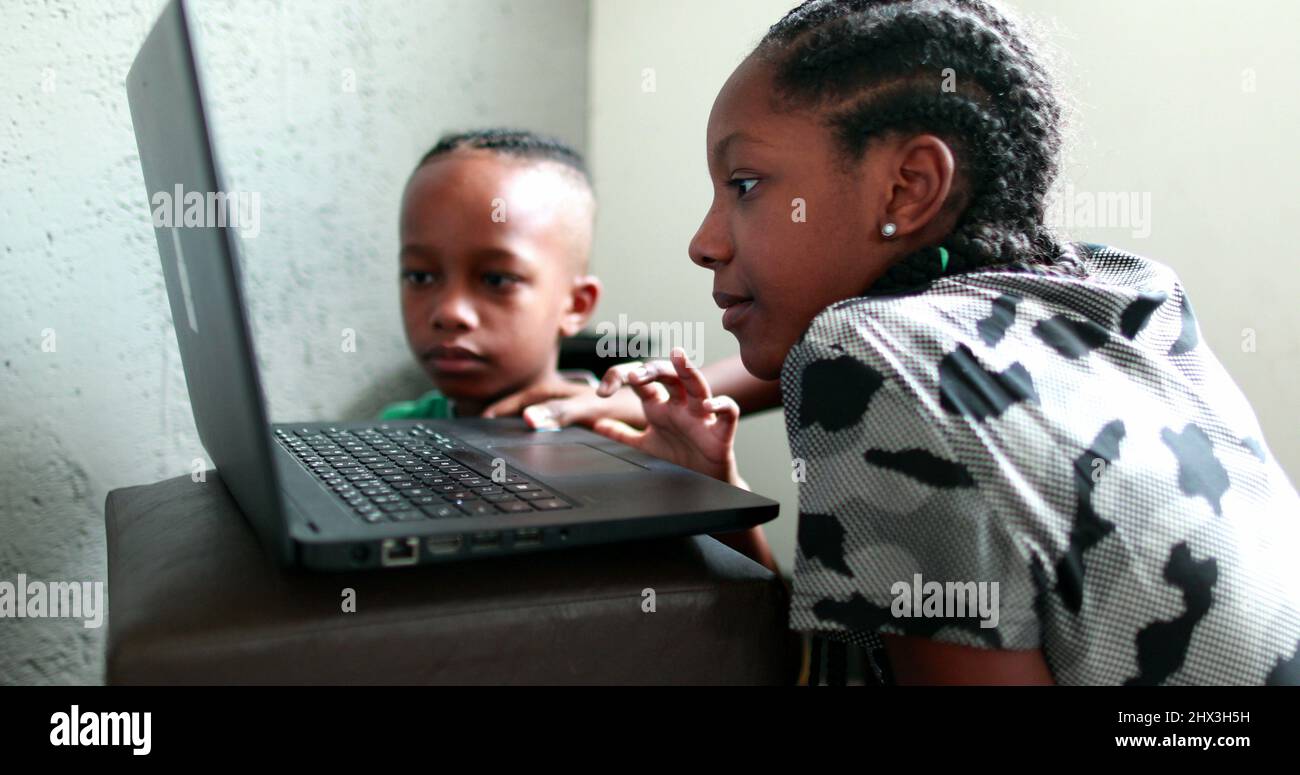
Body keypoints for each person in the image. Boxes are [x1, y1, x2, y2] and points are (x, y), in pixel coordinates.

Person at [549, 0, 1300, 685]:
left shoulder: (869, 356)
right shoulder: (1124, 289)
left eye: (744, 184)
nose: (704, 242)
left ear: (907, 189)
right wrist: (708, 473)